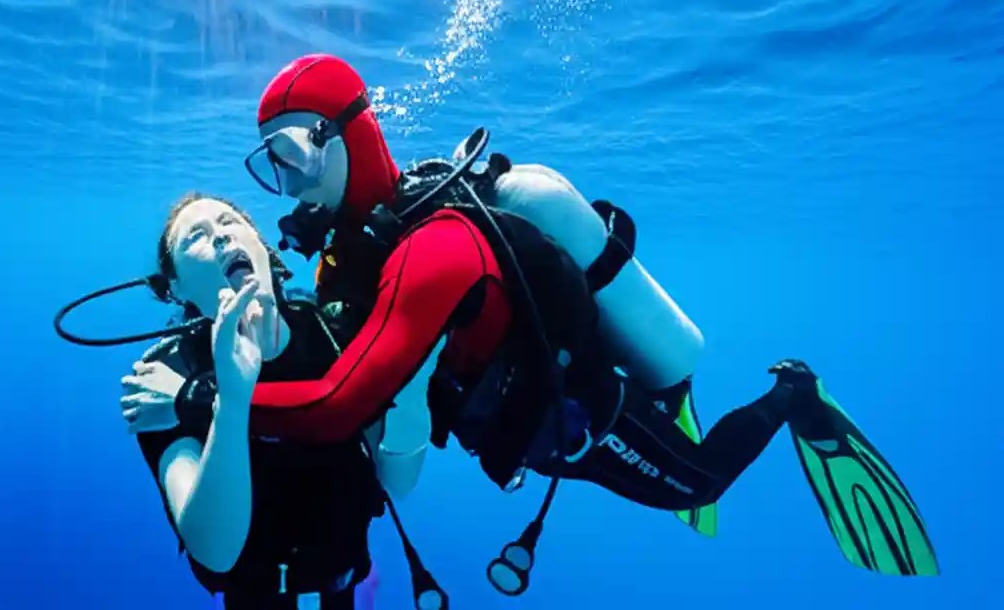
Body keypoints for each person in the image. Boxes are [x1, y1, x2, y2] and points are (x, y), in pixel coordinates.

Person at [223, 52, 940, 593]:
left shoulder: (433, 250)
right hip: (530, 430)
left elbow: (339, 401)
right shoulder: (349, 257)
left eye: (293, 156)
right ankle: (669, 397)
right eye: (270, 167)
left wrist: (210, 400)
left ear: (344, 134)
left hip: (588, 418)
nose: (289, 185)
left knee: (698, 486)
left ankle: (795, 394)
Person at [112, 192, 434, 610]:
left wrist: (414, 386)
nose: (222, 237)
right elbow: (214, 550)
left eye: (230, 222)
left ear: (262, 248)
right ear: (176, 286)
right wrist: (229, 399)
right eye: (197, 236)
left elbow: (395, 483)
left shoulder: (334, 336)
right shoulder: (169, 376)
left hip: (343, 587)